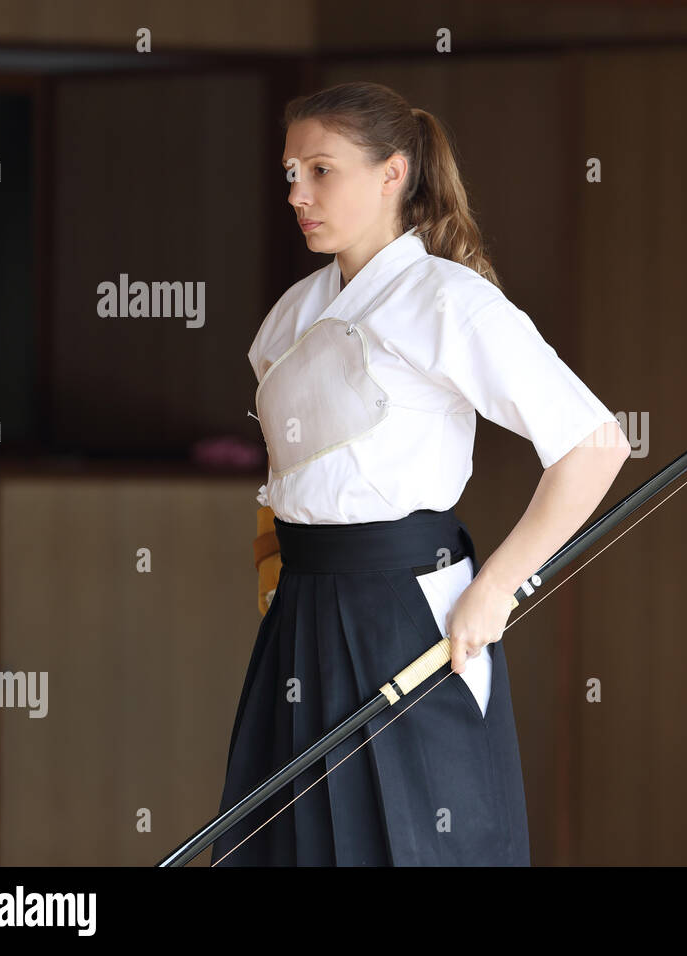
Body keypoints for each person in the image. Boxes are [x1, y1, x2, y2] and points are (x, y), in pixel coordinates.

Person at [211, 81, 631, 866]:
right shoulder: (293, 312)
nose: (298, 192)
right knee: (289, 845)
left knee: (417, 838)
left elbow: (594, 444)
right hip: (302, 603)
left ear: (392, 174)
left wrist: (497, 586)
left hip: (408, 607)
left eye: (321, 170)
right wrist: (275, 574)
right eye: (290, 172)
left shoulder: (447, 300)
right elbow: (288, 475)